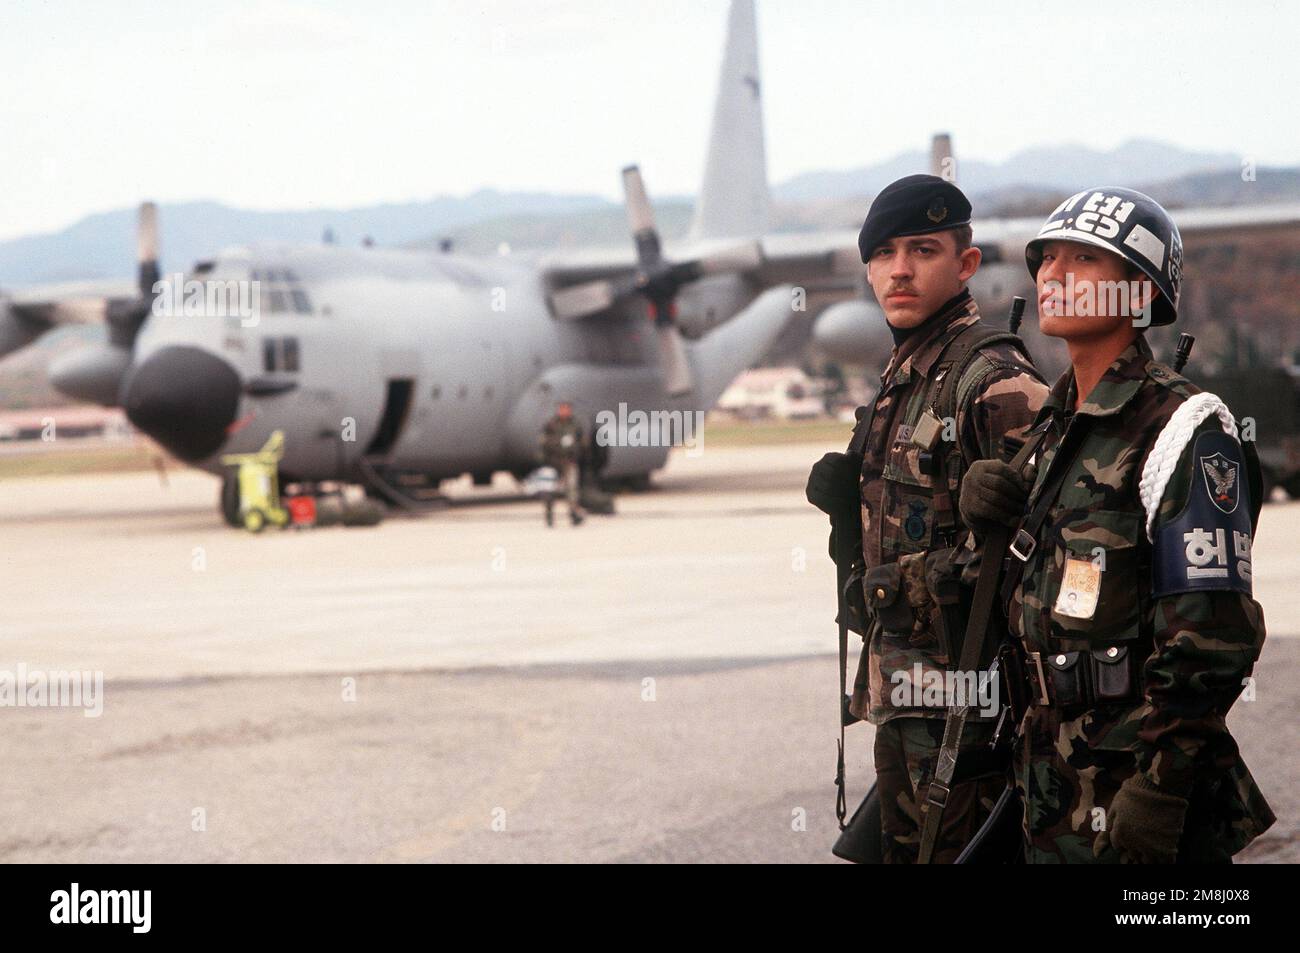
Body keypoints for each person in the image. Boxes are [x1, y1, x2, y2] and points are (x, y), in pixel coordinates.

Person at [959, 187, 1275, 862]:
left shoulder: (1186, 425)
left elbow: (1210, 638)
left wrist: (1159, 790)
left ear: (1139, 293)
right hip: (1047, 781)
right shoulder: (1051, 429)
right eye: (1046, 260)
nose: (1054, 275)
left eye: (1084, 260)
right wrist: (983, 525)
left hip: (1133, 781)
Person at [806, 174, 1048, 862]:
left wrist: (907, 580)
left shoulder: (993, 379)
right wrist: (847, 526)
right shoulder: (906, 377)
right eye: (883, 254)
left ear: (966, 264)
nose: (900, 269)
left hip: (971, 719)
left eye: (922, 250)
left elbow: (1048, 562)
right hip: (906, 698)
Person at [539, 401, 586, 527]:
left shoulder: (575, 424)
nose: (564, 411)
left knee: (572, 489)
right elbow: (544, 443)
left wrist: (576, 452)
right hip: (553, 463)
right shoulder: (551, 425)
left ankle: (573, 514)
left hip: (569, 462)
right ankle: (549, 515)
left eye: (567, 409)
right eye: (562, 408)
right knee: (550, 490)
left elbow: (582, 442)